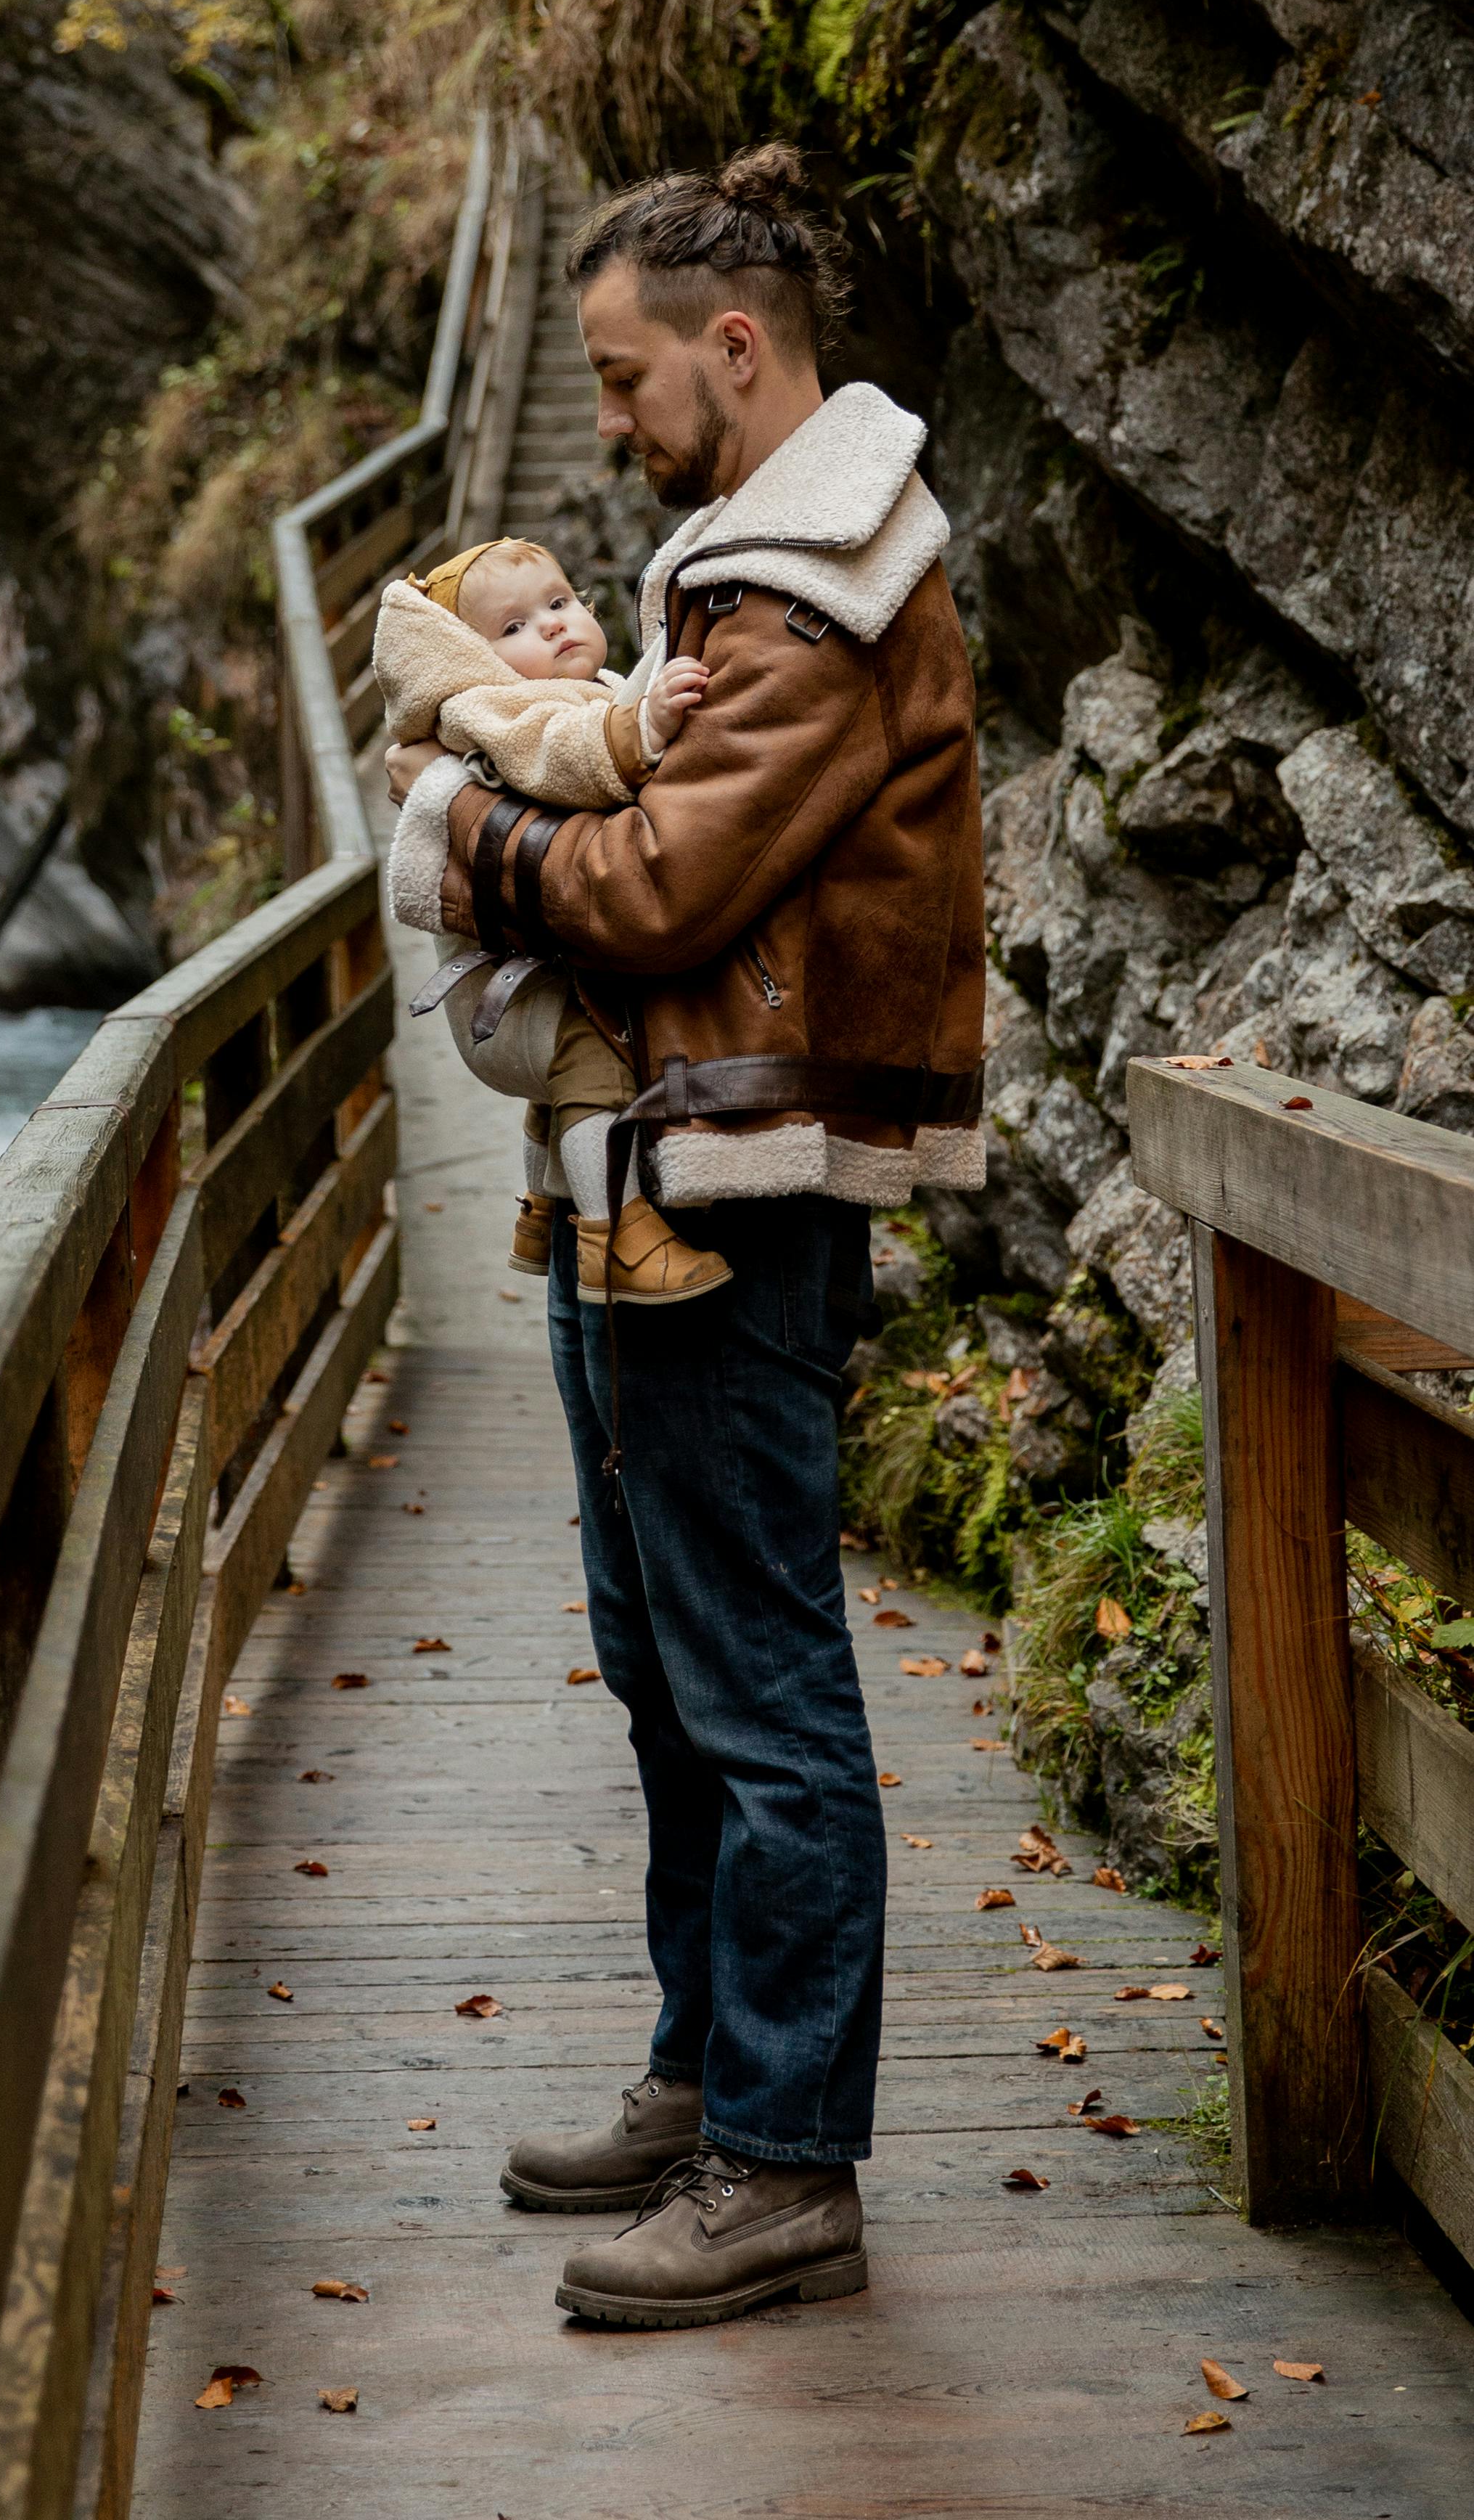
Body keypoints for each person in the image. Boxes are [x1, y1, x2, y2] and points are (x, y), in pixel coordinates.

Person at [386, 141, 986, 2331]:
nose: (614, 426)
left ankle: (785, 2162)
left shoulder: (819, 588)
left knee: (755, 1685)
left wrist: (467, 826)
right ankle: (701, 2074)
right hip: (649, 1176)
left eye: (631, 382)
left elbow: (662, 890)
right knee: (663, 1660)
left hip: (738, 1188)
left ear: (738, 352)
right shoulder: (746, 572)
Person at [372, 533, 725, 1305]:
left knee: (570, 1076)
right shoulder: (493, 710)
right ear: (472, 660)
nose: (555, 624)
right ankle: (617, 1234)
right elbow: (558, 757)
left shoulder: (582, 686)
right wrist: (645, 726)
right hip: (498, 989)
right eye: (514, 627)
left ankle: (541, 1207)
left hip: (537, 964)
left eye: (560, 603)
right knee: (592, 1062)